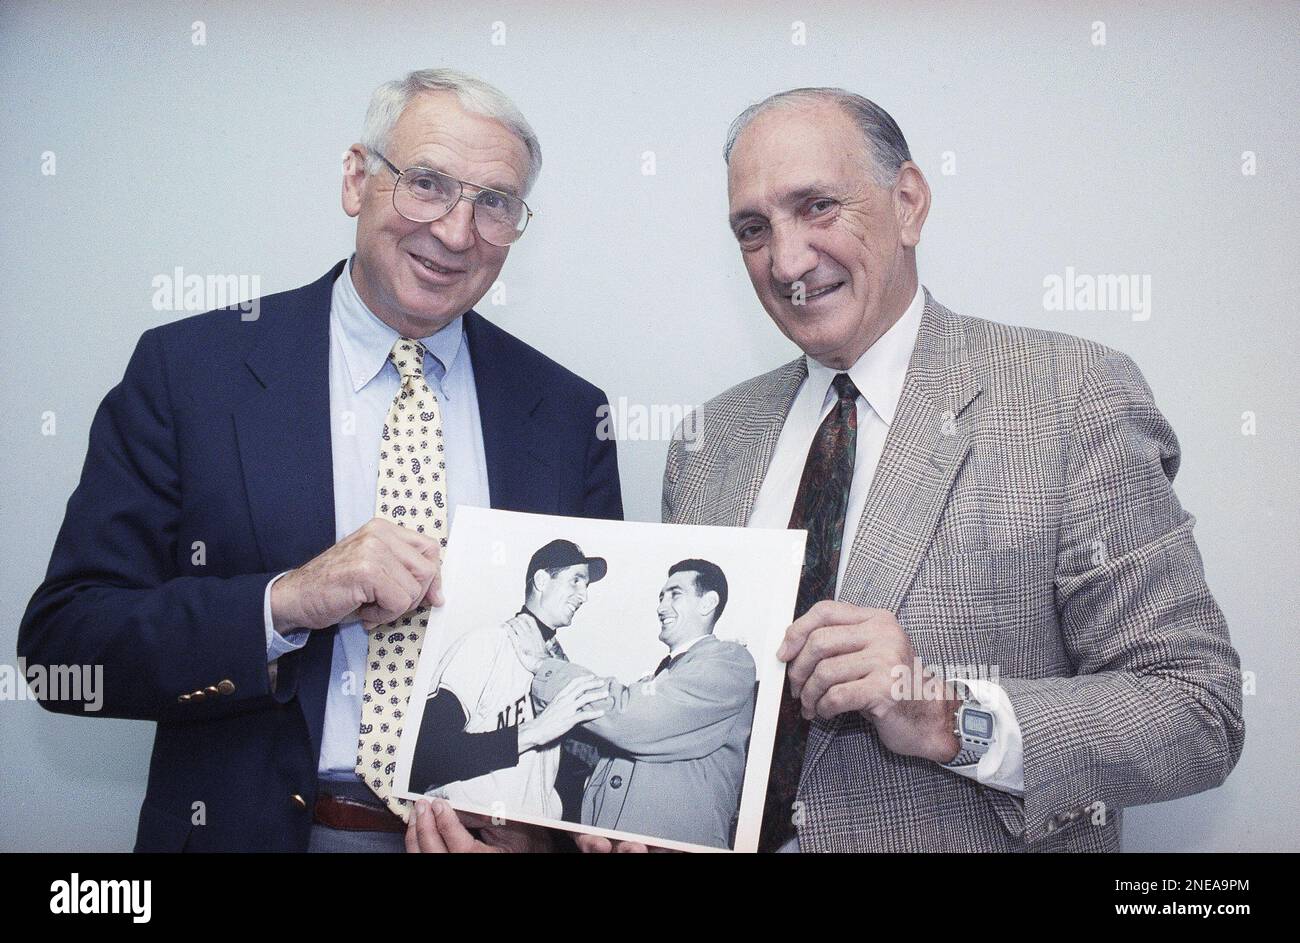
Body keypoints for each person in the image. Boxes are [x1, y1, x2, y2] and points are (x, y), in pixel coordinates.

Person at [589, 87, 1244, 853]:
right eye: (753, 228)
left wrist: (947, 715)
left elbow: (1198, 710)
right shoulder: (710, 440)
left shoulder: (1070, 398)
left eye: (819, 207)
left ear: (908, 204)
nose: (787, 259)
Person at [17, 68, 622, 853]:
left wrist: (545, 836)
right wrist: (285, 601)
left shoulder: (569, 413)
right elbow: (65, 646)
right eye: (428, 184)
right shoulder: (191, 372)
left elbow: (591, 677)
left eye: (495, 203)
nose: (455, 230)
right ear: (356, 179)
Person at [529, 559, 757, 849]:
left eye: (675, 594)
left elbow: (629, 717)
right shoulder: (661, 678)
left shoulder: (730, 661)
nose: (661, 607)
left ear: (708, 602)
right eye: (661, 597)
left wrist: (544, 667)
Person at [406, 540, 611, 819]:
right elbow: (425, 753)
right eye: (576, 580)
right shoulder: (486, 644)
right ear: (541, 580)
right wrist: (534, 731)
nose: (583, 595)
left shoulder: (554, 668)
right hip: (461, 829)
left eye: (585, 585)